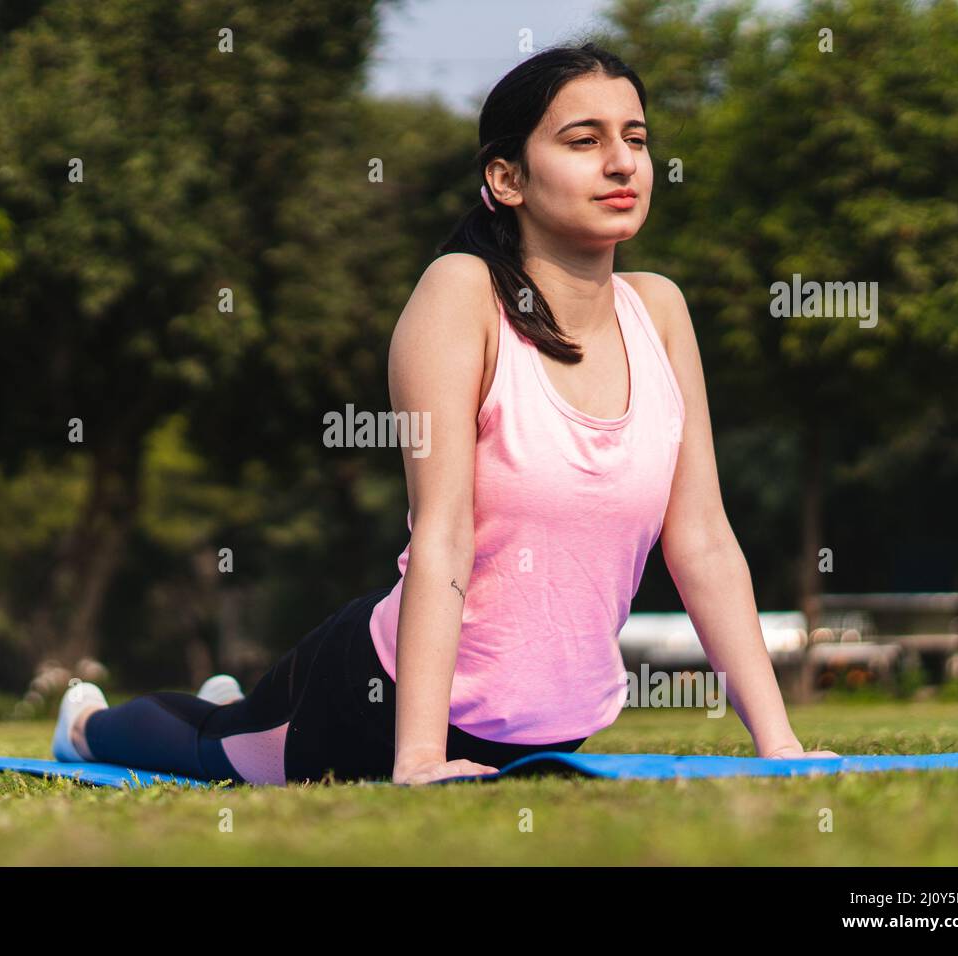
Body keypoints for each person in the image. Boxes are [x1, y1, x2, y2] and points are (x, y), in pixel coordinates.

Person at [50, 41, 837, 787]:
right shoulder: (462, 295)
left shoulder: (659, 310)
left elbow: (700, 539)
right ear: (507, 178)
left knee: (238, 720)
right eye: (583, 139)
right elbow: (442, 533)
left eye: (635, 136)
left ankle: (231, 705)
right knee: (205, 752)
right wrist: (420, 755)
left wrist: (779, 744)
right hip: (382, 698)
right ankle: (85, 726)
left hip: (550, 727)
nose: (622, 161)